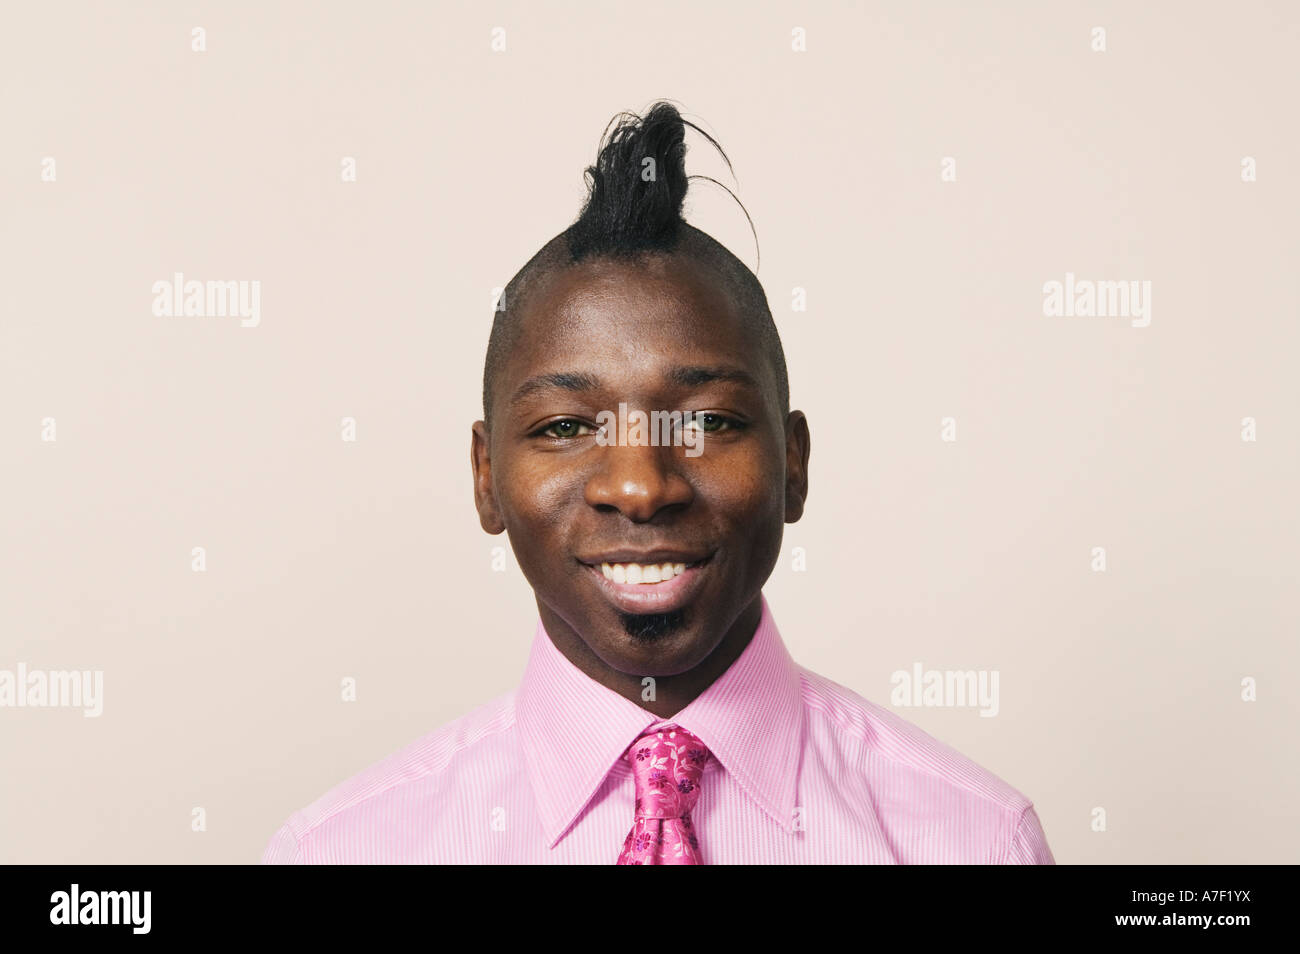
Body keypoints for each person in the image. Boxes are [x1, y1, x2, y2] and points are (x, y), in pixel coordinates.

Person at [262, 101, 1054, 864]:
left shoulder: (975, 841)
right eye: (567, 427)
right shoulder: (340, 851)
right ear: (486, 479)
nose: (640, 487)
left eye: (705, 422)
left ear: (794, 465)